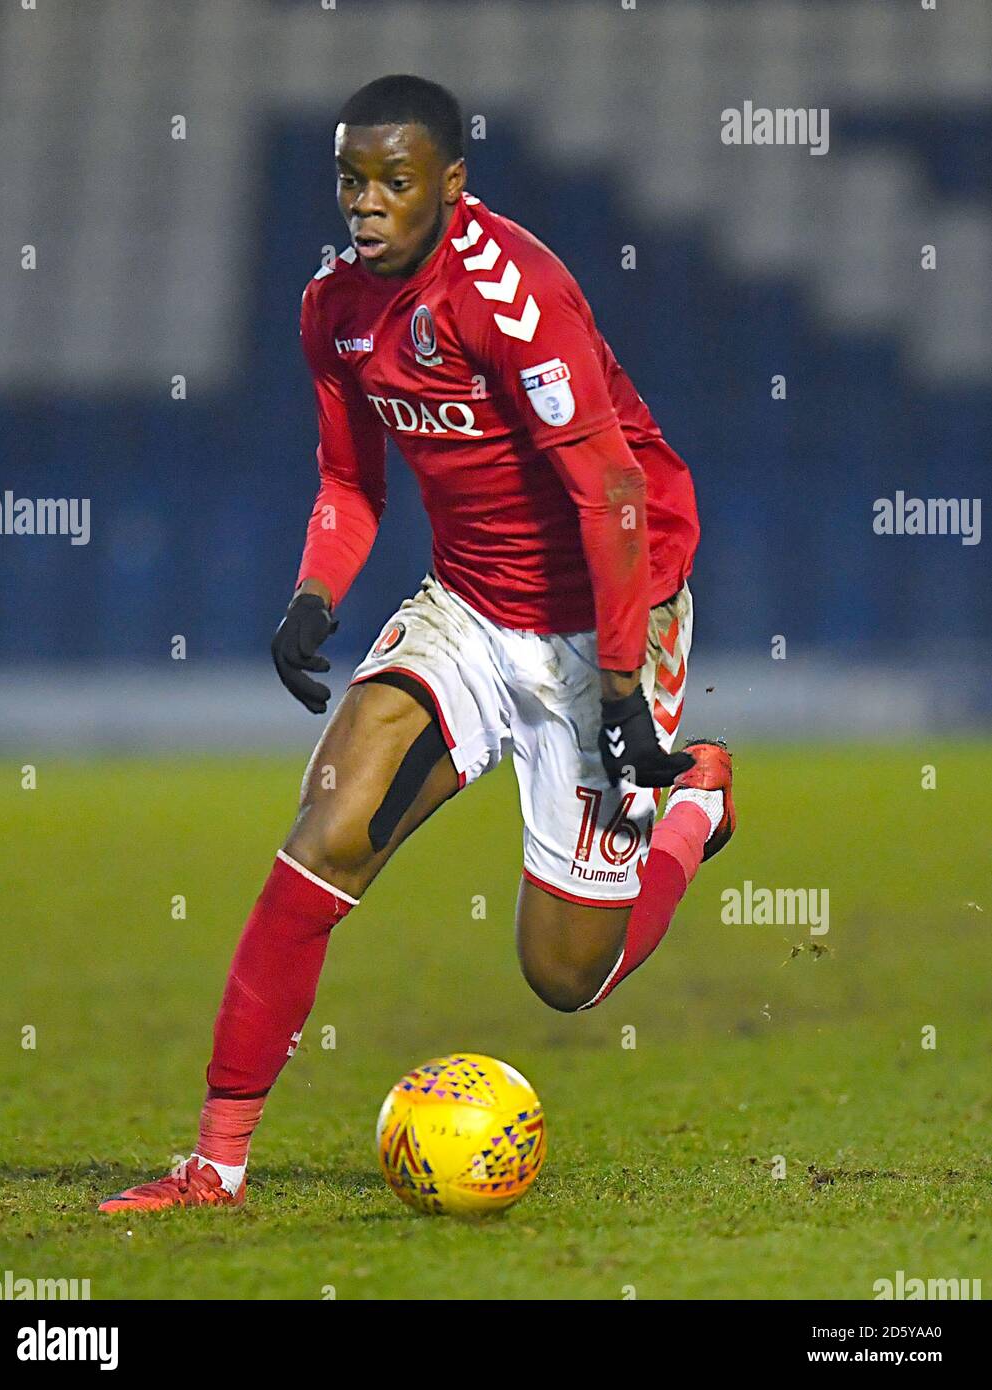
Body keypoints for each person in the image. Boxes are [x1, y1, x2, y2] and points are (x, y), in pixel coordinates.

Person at [99, 74, 735, 1213]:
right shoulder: (331, 307)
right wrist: (314, 595)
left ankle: (691, 811)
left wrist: (627, 684)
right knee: (326, 828)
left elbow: (613, 492)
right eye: (351, 180)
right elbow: (349, 480)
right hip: (468, 610)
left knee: (562, 977)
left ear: (451, 184)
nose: (367, 203)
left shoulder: (512, 294)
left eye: (395, 182)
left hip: (611, 611)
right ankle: (215, 1164)